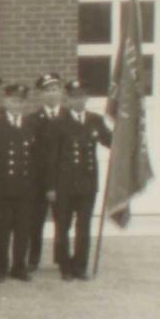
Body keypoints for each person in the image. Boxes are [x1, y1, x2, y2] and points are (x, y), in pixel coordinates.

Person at [49, 79, 113, 282]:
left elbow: (110, 141)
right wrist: (51, 187)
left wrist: (126, 132)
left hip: (87, 184)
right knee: (63, 226)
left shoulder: (95, 120)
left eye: (83, 96)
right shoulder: (58, 123)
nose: (79, 101)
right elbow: (51, 159)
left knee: (84, 227)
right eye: (74, 97)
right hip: (64, 185)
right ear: (68, 99)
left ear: (87, 98)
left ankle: (80, 266)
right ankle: (65, 267)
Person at [0, 84, 42, 282]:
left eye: (20, 101)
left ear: (25, 104)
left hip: (26, 189)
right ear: (5, 102)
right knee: (1, 231)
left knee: (23, 231)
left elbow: (37, 159)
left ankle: (19, 266)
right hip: (3, 189)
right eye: (12, 101)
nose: (16, 104)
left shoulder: (31, 125)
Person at [28, 72, 65, 272]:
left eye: (55, 89)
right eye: (47, 90)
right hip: (38, 180)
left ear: (60, 92)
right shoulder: (33, 120)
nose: (51, 94)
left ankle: (61, 259)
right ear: (41, 95)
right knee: (36, 221)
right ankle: (33, 259)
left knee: (63, 222)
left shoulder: (69, 117)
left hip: (64, 179)